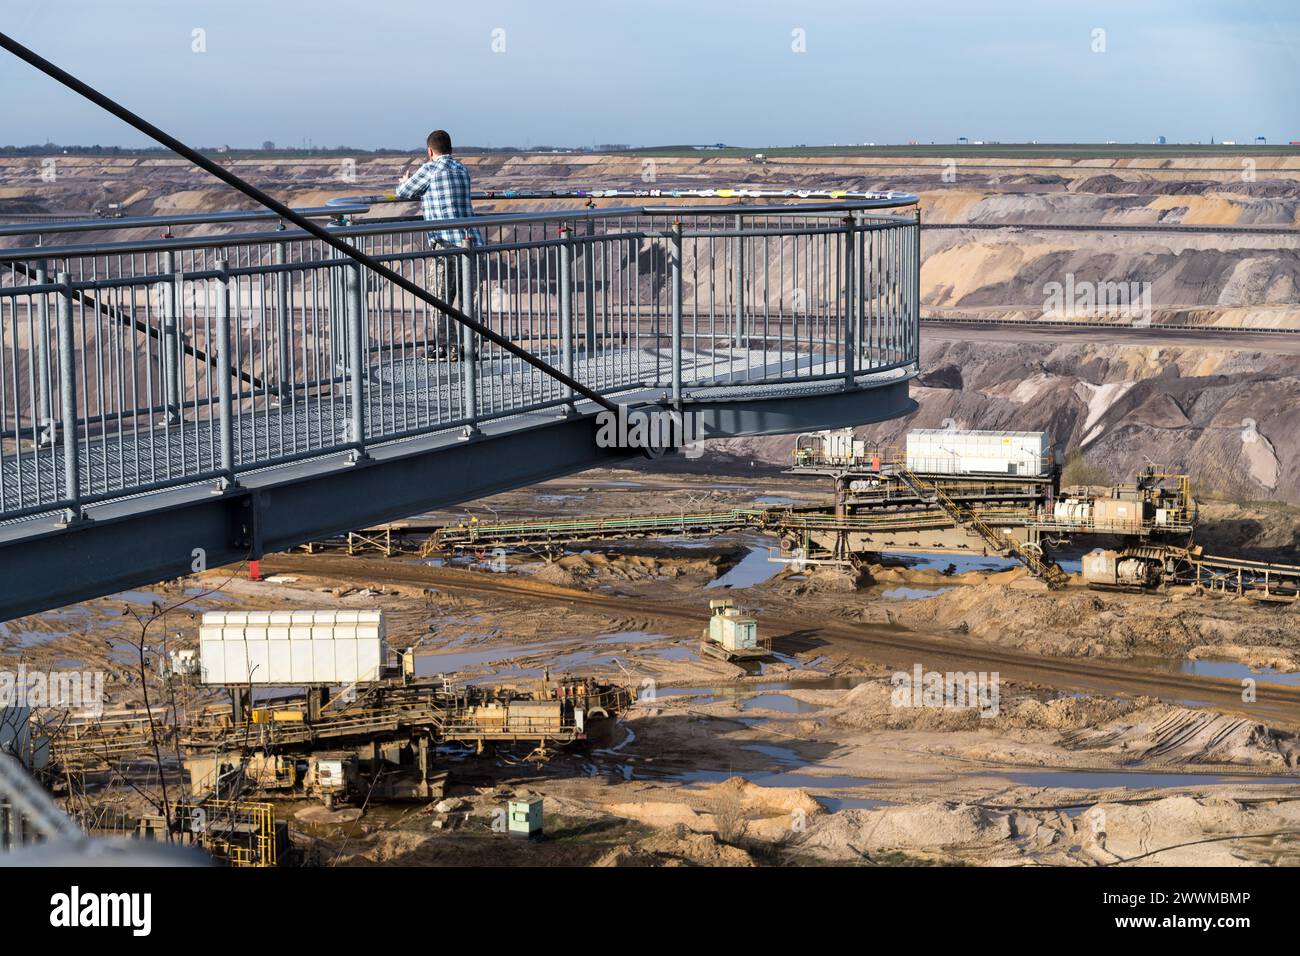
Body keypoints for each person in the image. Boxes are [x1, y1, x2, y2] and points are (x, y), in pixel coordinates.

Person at [396, 129, 483, 357]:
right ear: (451, 149)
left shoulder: (429, 169)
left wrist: (407, 180)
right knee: (470, 299)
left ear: (430, 151)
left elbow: (403, 192)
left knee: (440, 299)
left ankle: (447, 347)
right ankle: (471, 347)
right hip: (470, 241)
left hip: (445, 243)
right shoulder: (462, 169)